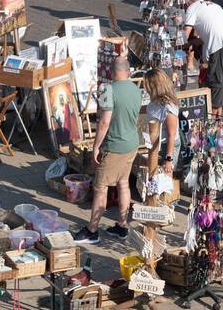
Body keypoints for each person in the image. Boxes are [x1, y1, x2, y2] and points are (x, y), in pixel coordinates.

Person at [74, 58, 141, 244]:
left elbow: (104, 122)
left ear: (112, 72)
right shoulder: (136, 89)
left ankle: (92, 230)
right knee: (123, 183)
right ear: (128, 71)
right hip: (132, 143)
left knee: (101, 188)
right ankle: (122, 225)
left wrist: (96, 146)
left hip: (115, 145)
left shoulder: (106, 90)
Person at [143, 68, 181, 186]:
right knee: (154, 177)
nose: (145, 88)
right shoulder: (153, 102)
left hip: (167, 145)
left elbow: (171, 134)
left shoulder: (168, 107)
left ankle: (166, 202)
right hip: (155, 143)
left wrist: (168, 159)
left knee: (165, 179)